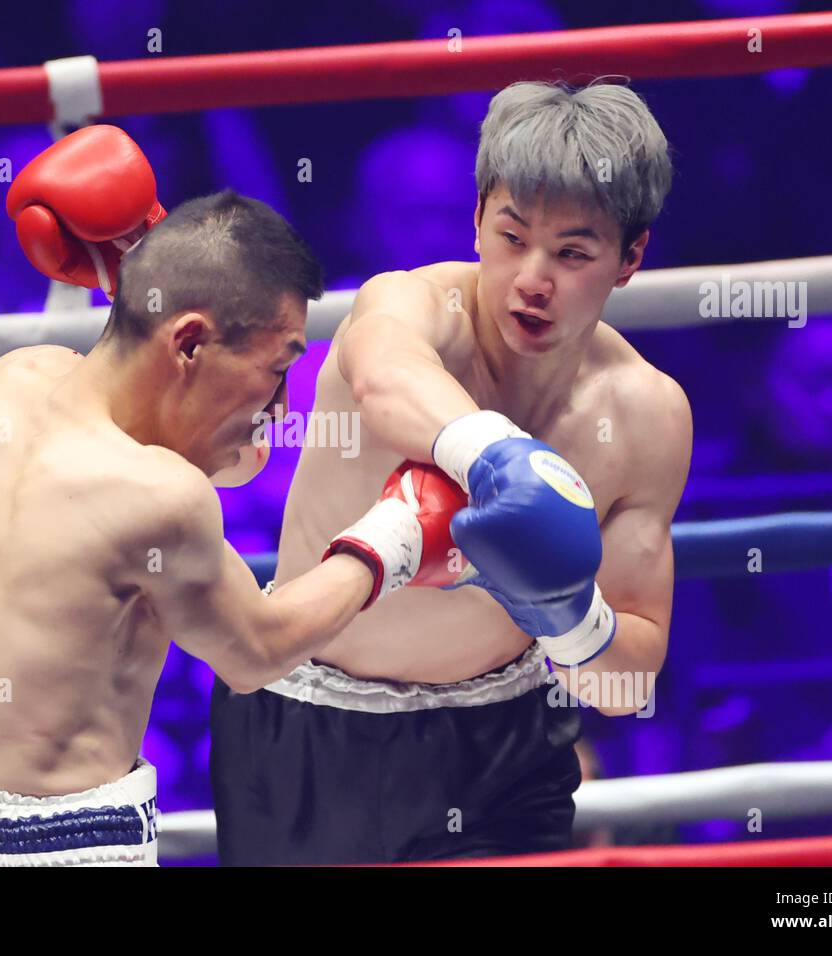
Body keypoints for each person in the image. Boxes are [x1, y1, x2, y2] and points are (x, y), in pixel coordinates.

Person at [0, 127, 474, 866]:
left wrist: (155, 273)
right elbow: (258, 652)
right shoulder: (159, 499)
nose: (282, 404)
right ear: (190, 344)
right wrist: (400, 532)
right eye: (277, 368)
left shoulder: (11, 381)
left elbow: (158, 430)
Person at [211, 79, 694, 865]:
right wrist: (506, 463)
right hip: (308, 728)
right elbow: (383, 375)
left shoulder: (644, 416)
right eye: (512, 237)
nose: (533, 277)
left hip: (503, 741)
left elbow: (625, 685)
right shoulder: (407, 308)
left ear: (630, 257)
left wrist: (565, 614)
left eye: (572, 253)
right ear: (476, 220)